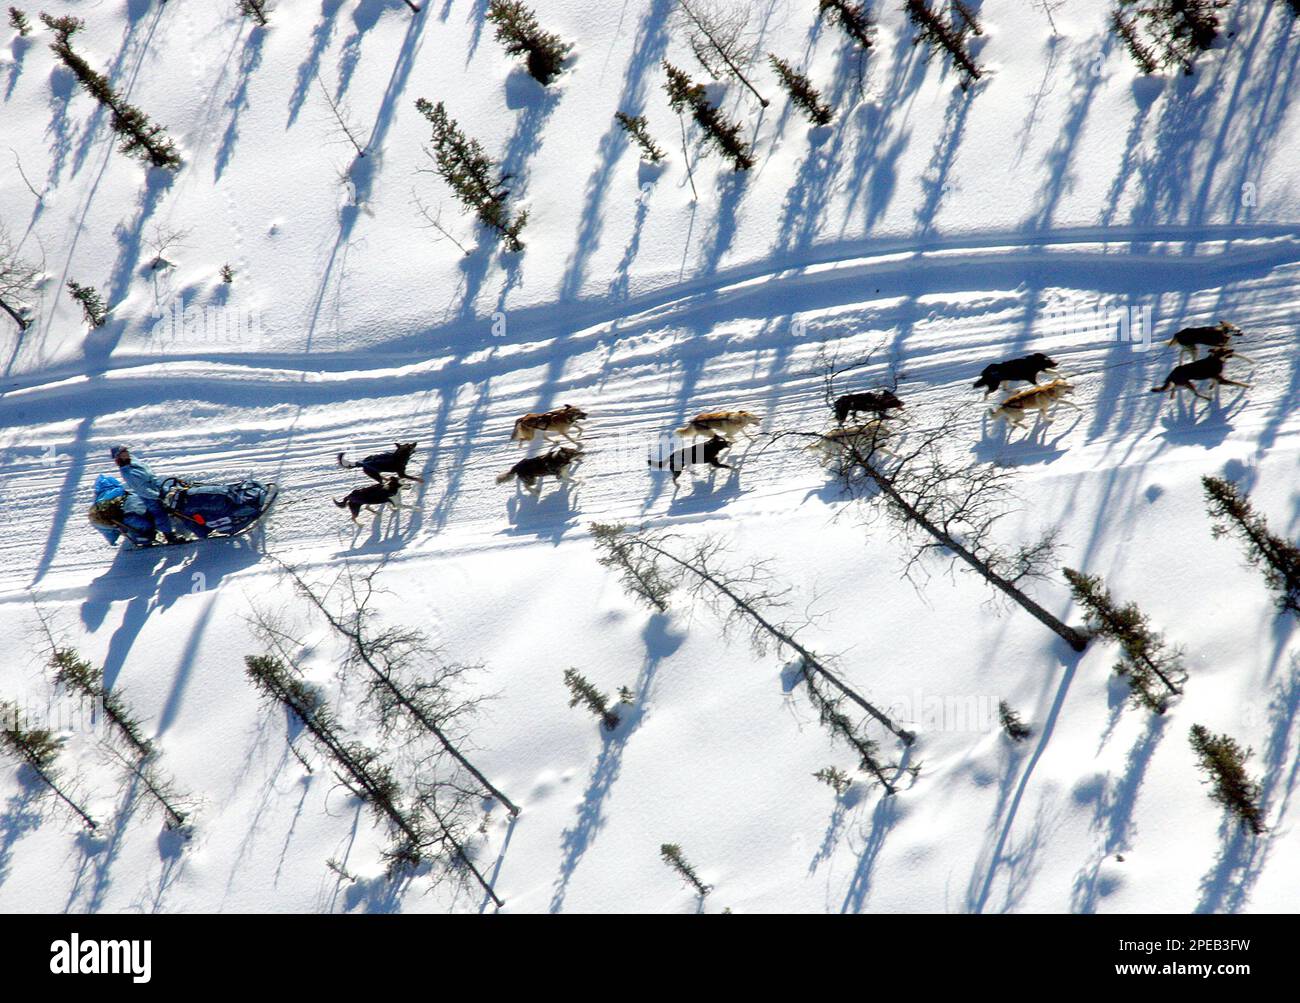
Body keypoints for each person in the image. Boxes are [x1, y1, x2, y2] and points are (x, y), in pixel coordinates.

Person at [88, 474, 171, 547]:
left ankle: (145, 539)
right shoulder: (122, 492)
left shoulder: (97, 507)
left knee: (138, 525)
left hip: (129, 519)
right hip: (141, 512)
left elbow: (105, 530)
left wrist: (112, 541)